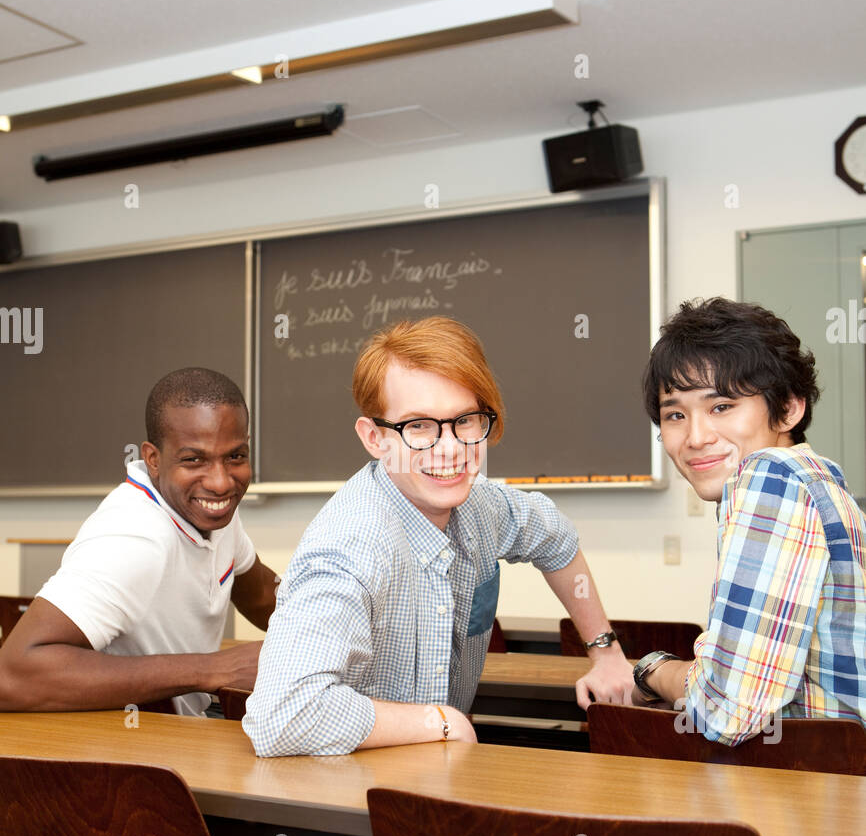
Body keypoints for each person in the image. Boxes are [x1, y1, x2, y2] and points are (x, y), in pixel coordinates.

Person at [244, 316, 633, 757]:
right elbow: (282, 715)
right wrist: (441, 721)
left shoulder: (480, 506)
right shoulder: (349, 551)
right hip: (348, 796)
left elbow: (554, 537)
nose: (449, 449)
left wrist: (605, 651)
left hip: (439, 781)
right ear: (374, 438)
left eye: (464, 421)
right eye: (419, 427)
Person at [624, 296, 866, 742]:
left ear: (789, 409)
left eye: (722, 407)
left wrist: (651, 670)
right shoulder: (820, 482)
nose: (695, 437)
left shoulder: (773, 476)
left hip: (825, 795)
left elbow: (727, 711)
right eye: (675, 414)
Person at [0, 367, 278, 715]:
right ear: (153, 459)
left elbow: (262, 594)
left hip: (188, 725)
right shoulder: (134, 535)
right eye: (194, 459)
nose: (221, 483)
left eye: (235, 456)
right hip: (129, 751)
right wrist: (213, 669)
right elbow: (12, 676)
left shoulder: (209, 511)